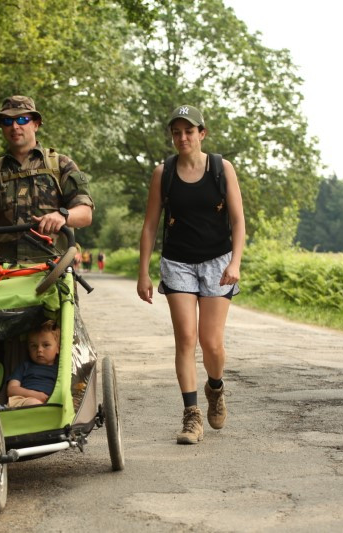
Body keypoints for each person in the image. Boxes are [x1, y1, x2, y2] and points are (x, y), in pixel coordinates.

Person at [136, 104, 245, 445]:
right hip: (178, 262)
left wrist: (235, 263)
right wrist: (143, 272)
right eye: (176, 132)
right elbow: (151, 224)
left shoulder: (220, 168)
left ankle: (216, 387)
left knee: (210, 342)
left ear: (202, 133)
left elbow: (239, 221)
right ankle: (191, 416)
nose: (182, 137)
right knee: (186, 338)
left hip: (217, 261)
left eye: (188, 131)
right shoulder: (163, 172)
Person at [0, 95, 93, 262]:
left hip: (53, 270)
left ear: (36, 124)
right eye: (7, 121)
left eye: (22, 119)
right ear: (1, 127)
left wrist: (62, 216)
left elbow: (85, 213)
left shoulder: (61, 165)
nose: (14, 126)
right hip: (2, 275)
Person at [6, 320, 61, 407]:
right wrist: (35, 395)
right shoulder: (25, 366)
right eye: (34, 346)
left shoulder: (60, 370)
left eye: (46, 345)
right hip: (23, 400)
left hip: (51, 404)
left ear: (58, 348)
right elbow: (11, 389)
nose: (39, 350)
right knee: (34, 403)